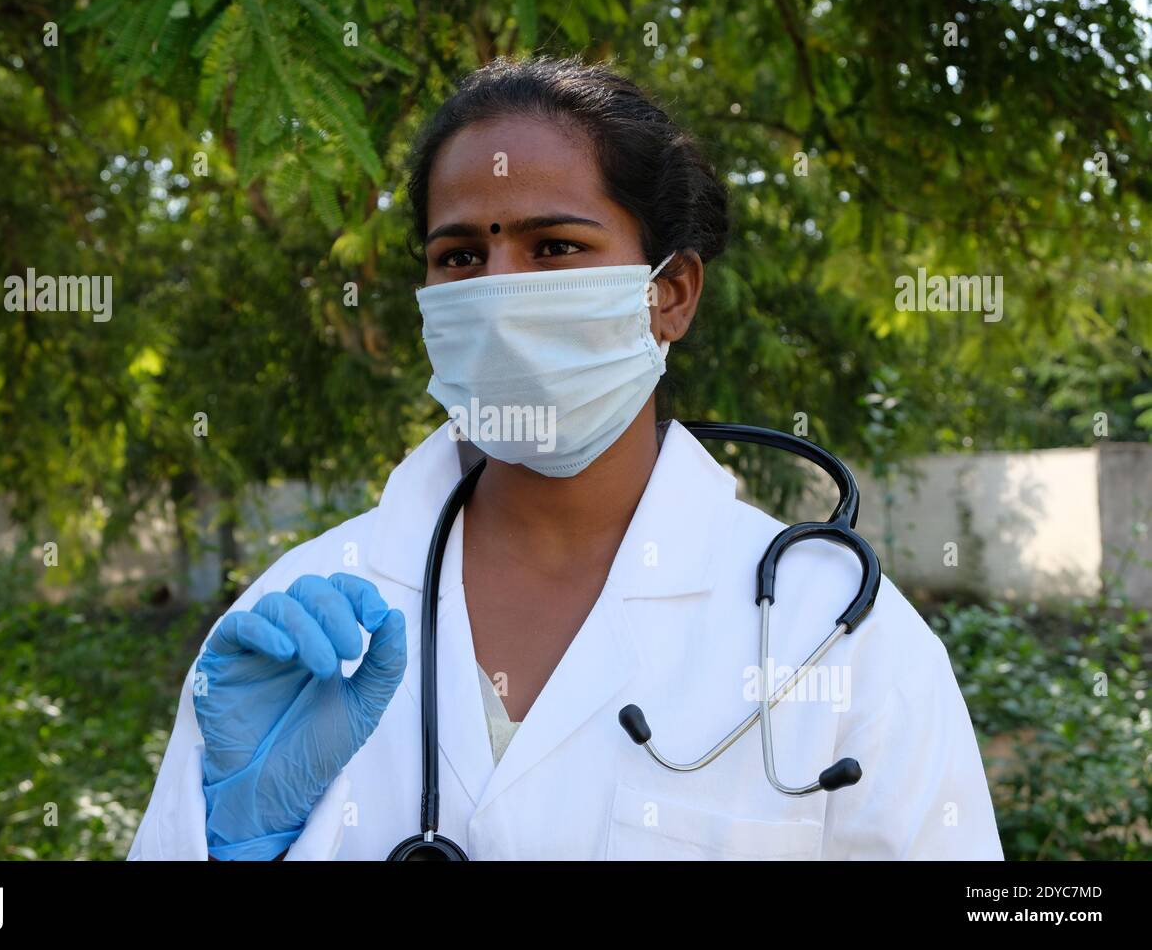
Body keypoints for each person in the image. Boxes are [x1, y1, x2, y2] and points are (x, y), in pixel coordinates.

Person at [129, 56, 1002, 861]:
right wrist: (231, 841)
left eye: (554, 248)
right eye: (461, 255)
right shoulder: (300, 618)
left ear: (671, 294)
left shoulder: (837, 634)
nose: (501, 293)